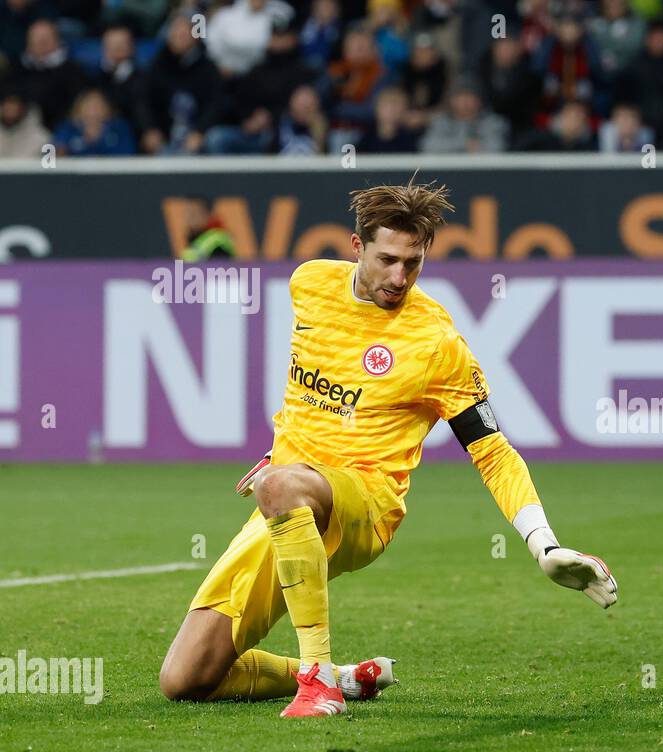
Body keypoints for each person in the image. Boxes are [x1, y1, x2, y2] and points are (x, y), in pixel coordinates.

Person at [159, 182, 619, 717]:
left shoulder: (436, 342)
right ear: (356, 247)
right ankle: (350, 679)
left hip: (367, 504)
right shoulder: (309, 284)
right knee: (187, 678)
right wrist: (284, 448)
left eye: (413, 263)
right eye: (387, 260)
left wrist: (544, 544)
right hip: (288, 500)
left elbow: (491, 451)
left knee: (280, 484)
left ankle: (318, 684)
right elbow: (323, 392)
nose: (400, 278)